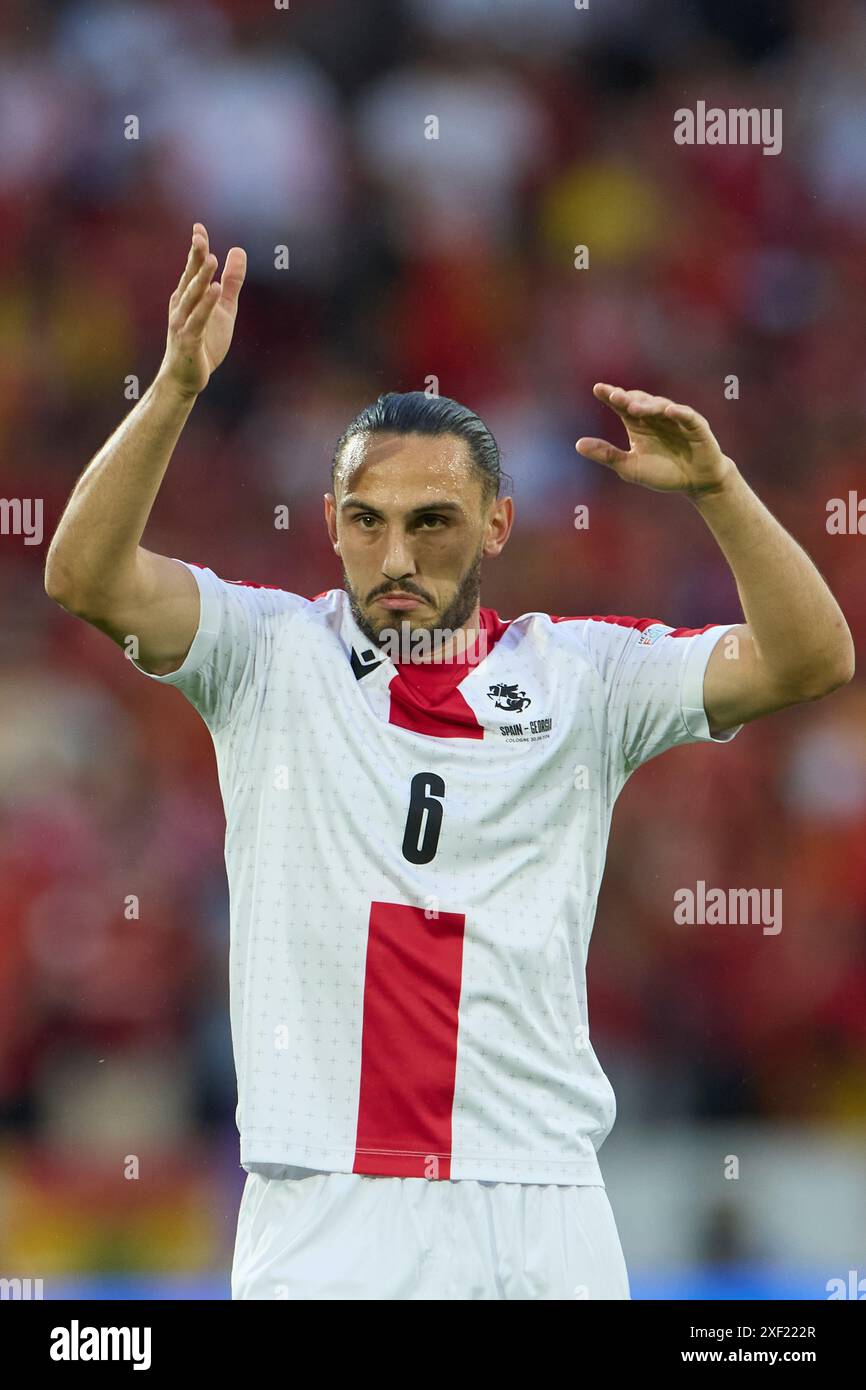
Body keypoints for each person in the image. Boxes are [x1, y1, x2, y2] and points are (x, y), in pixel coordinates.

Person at [44, 224, 855, 1300]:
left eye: (432, 522)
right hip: (328, 1196)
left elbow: (812, 656)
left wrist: (718, 489)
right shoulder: (264, 653)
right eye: (367, 522)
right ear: (328, 522)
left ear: (495, 526)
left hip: (541, 1194)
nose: (395, 556)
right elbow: (84, 574)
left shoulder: (585, 677)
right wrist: (178, 387)